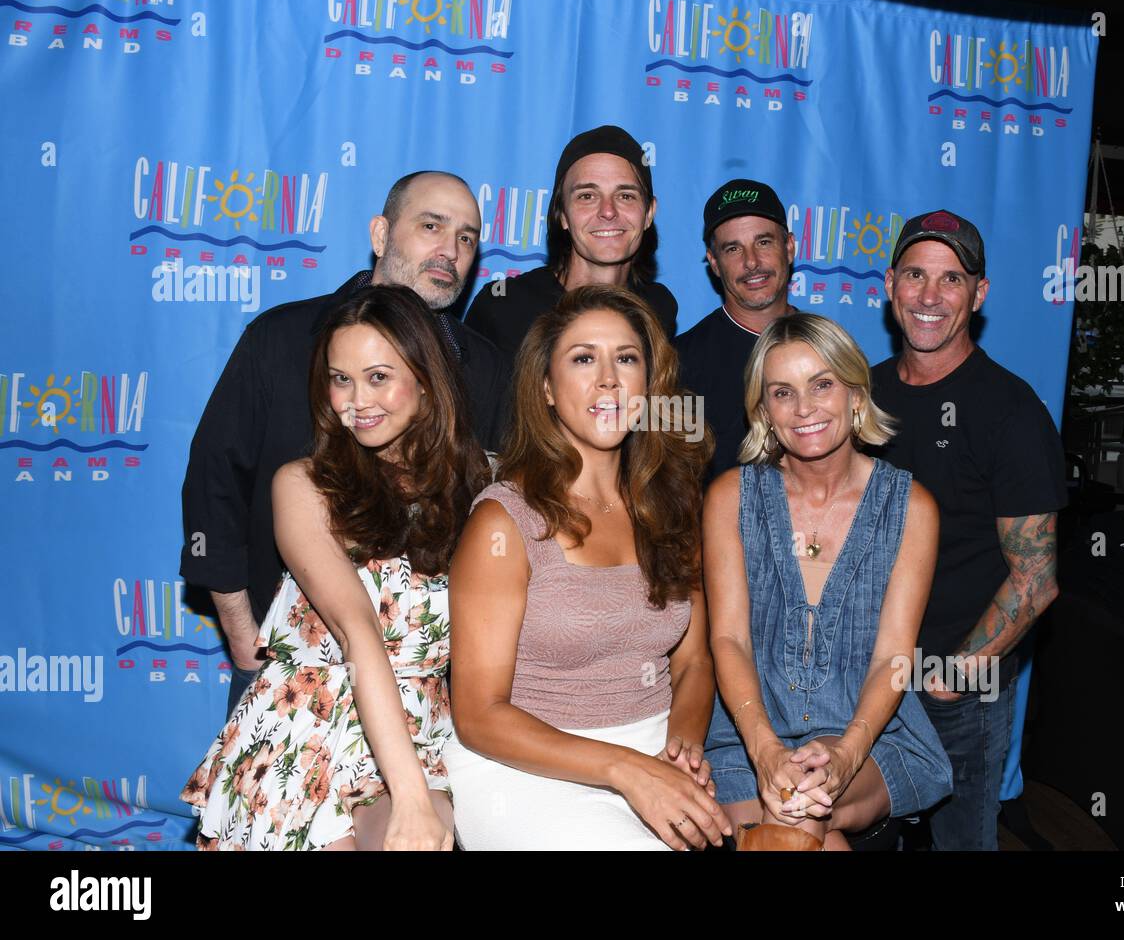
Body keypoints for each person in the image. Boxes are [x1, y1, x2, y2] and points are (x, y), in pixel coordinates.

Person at [180, 171, 508, 718]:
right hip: (289, 667)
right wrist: (241, 632)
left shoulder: (485, 368)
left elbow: (497, 515)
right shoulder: (283, 338)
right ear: (380, 234)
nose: (449, 250)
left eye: (467, 237)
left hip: (430, 679)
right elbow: (215, 481)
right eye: (431, 225)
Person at [180, 285, 491, 850]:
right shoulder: (304, 485)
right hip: (309, 728)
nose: (354, 401)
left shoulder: (481, 489)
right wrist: (414, 800)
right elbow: (358, 632)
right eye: (339, 378)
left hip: (418, 726)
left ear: (426, 376)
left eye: (377, 377)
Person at [444, 285, 725, 850]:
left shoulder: (673, 504)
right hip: (528, 767)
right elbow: (478, 715)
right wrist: (627, 770)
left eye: (626, 358)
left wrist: (683, 749)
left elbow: (693, 660)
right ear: (546, 389)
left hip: (652, 751)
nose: (608, 380)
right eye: (582, 359)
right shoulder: (505, 524)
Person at [703, 311, 952, 850]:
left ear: (856, 395)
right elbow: (729, 639)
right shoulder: (729, 498)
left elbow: (894, 656)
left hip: (871, 735)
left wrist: (846, 750)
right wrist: (766, 749)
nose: (805, 408)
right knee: (800, 823)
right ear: (763, 410)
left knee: (796, 816)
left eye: (822, 384)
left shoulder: (911, 507)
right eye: (782, 392)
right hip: (747, 734)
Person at [870, 209, 1067, 850]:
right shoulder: (857, 396)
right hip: (861, 681)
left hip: (955, 690)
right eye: (915, 276)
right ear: (890, 284)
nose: (929, 297)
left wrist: (953, 677)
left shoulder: (1010, 411)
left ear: (978, 295)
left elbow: (1035, 580)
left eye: (951, 280)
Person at [463, 126, 677, 363]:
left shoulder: (659, 308)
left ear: (648, 213)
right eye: (587, 196)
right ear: (562, 214)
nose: (608, 211)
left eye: (625, 196)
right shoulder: (503, 306)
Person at [676, 179, 796, 484]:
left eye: (764, 242)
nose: (752, 262)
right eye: (733, 249)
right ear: (714, 263)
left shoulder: (830, 352)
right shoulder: (678, 366)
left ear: (790, 247)